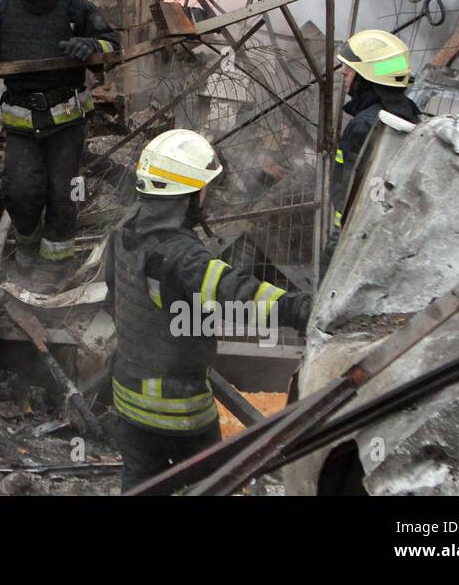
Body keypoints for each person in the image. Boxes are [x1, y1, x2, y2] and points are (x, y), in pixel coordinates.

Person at [105, 128, 312, 492]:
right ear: (188, 195)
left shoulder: (126, 229)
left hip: (127, 395)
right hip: (176, 409)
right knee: (214, 484)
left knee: (140, 484)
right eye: (205, 187)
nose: (209, 195)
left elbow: (114, 296)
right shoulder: (182, 256)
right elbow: (238, 295)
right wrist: (299, 309)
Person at [0, 0, 119, 287]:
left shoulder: (75, 7)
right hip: (22, 124)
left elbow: (112, 44)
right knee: (21, 192)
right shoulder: (4, 11)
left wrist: (91, 45)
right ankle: (26, 246)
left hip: (67, 124)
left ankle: (55, 266)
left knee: (63, 193)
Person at [322, 29, 421, 272]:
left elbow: (353, 196)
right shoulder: (409, 116)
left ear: (366, 76)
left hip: (354, 239)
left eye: (350, 68)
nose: (344, 72)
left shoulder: (366, 125)